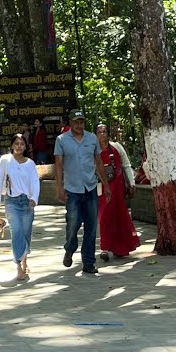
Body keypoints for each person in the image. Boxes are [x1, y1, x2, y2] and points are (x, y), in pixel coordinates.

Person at [54, 109, 109, 274]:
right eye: (76, 122)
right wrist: (59, 188)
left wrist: (106, 185)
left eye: (82, 121)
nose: (79, 125)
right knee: (73, 223)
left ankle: (89, 262)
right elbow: (58, 165)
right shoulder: (61, 140)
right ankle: (70, 248)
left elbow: (99, 162)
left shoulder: (92, 138)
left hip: (90, 187)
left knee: (91, 227)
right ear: (70, 123)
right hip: (72, 189)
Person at [0, 134, 40, 281]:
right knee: (17, 231)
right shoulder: (5, 160)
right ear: (12, 146)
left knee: (26, 233)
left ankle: (25, 261)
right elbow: (0, 180)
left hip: (27, 202)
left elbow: (35, 182)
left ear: (25, 147)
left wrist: (34, 199)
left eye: (22, 144)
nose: (19, 146)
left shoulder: (30, 164)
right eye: (16, 143)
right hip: (11, 201)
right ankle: (18, 265)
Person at [96, 123, 140, 261]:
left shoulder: (116, 147)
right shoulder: (93, 150)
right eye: (99, 132)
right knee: (104, 216)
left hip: (117, 186)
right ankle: (105, 248)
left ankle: (120, 247)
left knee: (119, 216)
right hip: (101, 188)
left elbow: (126, 165)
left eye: (104, 131)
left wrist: (132, 183)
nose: (102, 134)